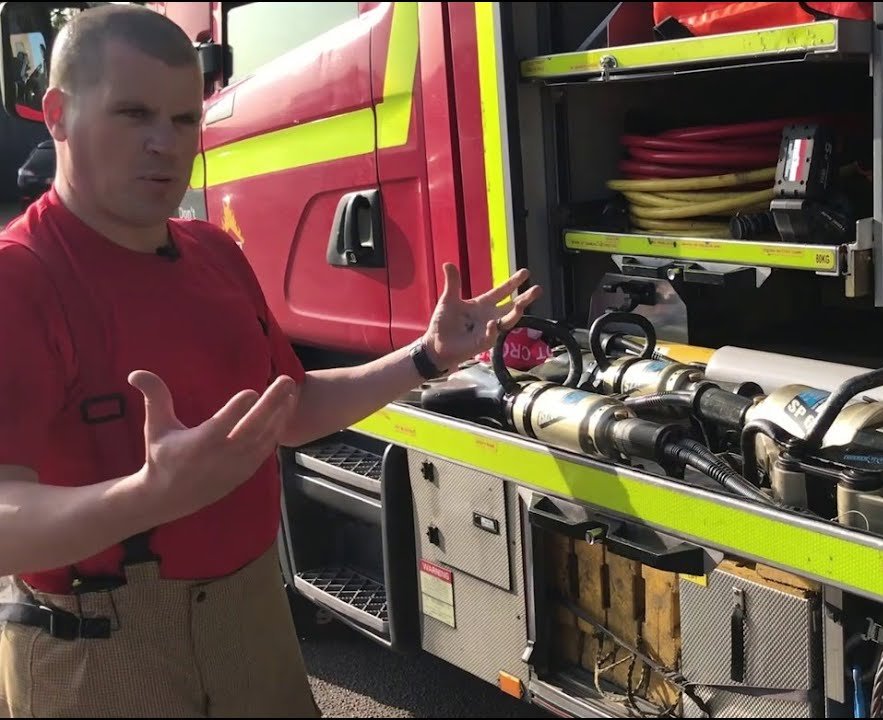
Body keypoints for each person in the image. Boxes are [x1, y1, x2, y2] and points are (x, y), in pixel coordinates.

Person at [0, 5, 539, 718]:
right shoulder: (22, 280)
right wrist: (145, 497)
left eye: (185, 119)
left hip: (253, 633)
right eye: (133, 114)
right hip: (105, 655)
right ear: (60, 115)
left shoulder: (214, 254)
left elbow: (292, 408)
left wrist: (426, 357)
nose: (165, 144)